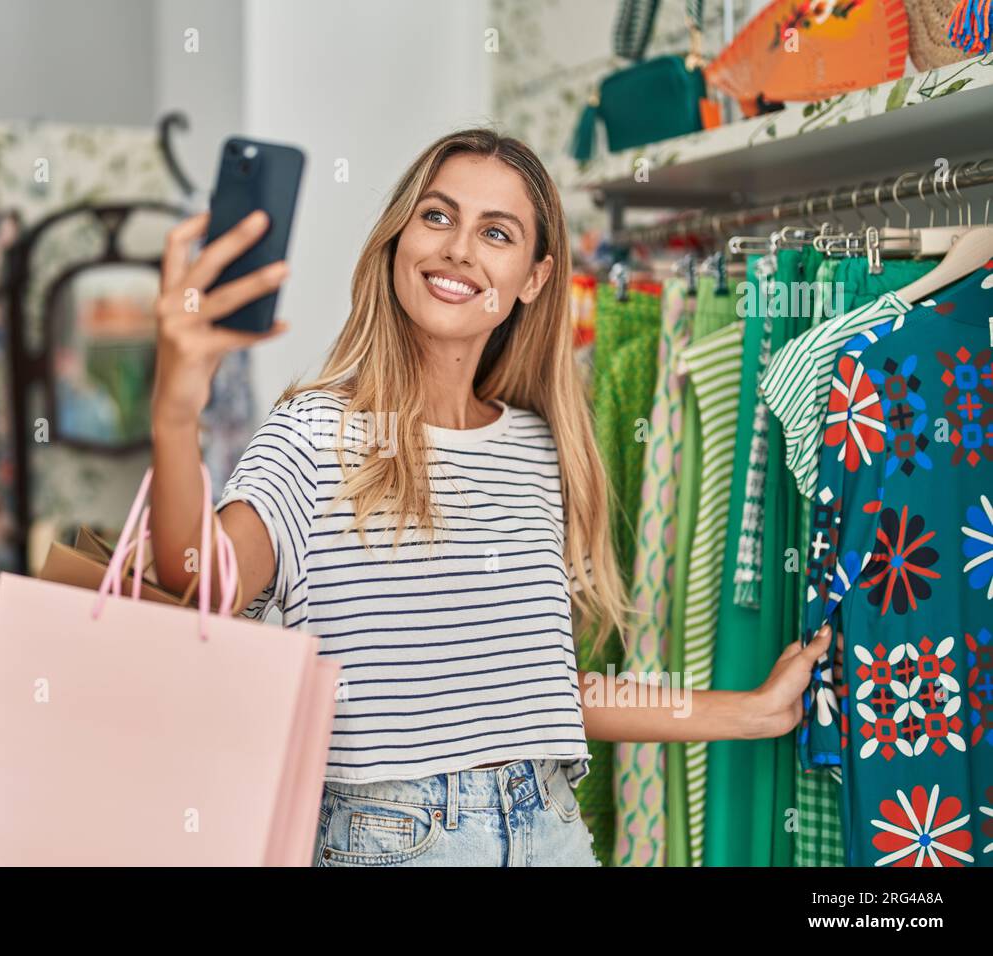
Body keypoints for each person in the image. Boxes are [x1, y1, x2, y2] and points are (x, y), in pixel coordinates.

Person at [147, 127, 832, 867]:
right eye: (437, 217)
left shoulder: (541, 448)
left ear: (534, 280)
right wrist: (175, 413)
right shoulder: (315, 432)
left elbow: (535, 697)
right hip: (390, 837)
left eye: (495, 232)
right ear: (397, 241)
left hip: (552, 829)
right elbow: (196, 582)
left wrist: (749, 712)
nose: (458, 249)